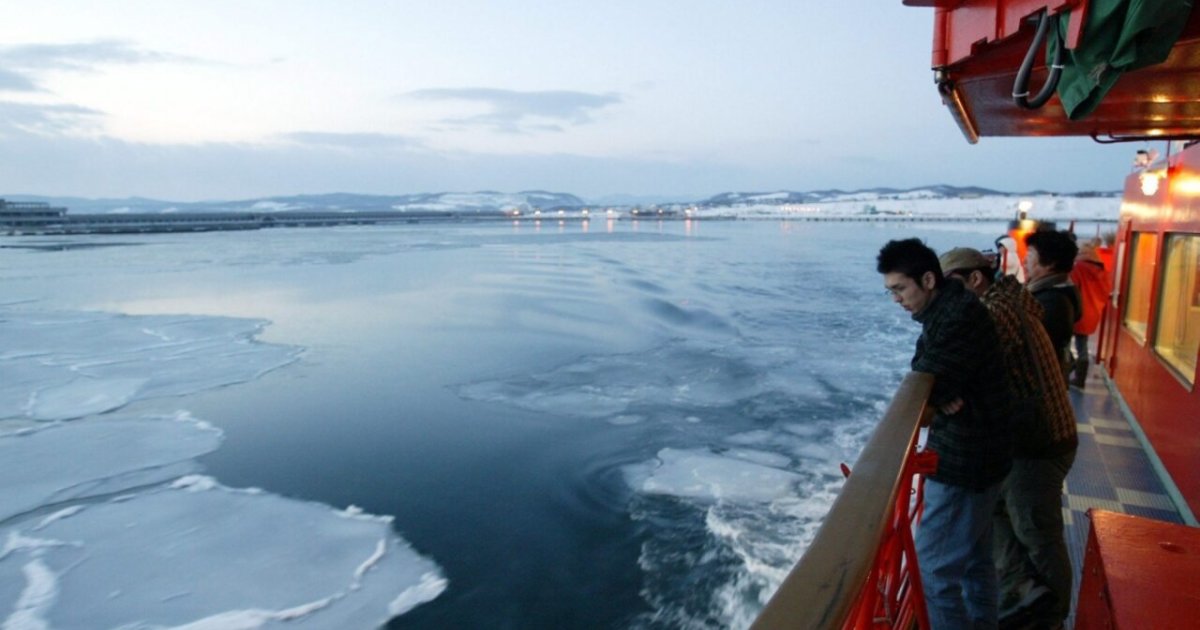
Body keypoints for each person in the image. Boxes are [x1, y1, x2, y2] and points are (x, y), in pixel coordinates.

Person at [877, 238, 1013, 630]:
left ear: (928, 279)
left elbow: (928, 384)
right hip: (983, 455)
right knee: (974, 561)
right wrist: (938, 389)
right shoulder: (949, 310)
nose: (897, 300)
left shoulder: (956, 318)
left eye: (900, 289)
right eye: (891, 292)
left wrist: (938, 393)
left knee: (934, 573)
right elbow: (924, 368)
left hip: (965, 461)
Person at [940, 247, 1078, 629]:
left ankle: (1051, 617)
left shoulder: (995, 313)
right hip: (1031, 437)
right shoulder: (1008, 301)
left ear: (975, 280)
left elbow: (958, 358)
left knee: (1038, 532)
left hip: (1038, 444)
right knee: (997, 511)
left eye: (949, 289)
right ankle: (1024, 591)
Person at [1023, 231, 1081, 381]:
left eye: (1030, 255)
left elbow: (1031, 351)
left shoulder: (1053, 303)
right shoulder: (1052, 293)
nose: (1024, 261)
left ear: (1050, 263)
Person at [1069, 238, 1112, 387]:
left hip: (1076, 311)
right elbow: (1107, 291)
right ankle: (1080, 376)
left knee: (1065, 343)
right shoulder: (1102, 271)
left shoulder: (1078, 268)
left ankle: (1072, 368)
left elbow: (1071, 288)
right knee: (1082, 344)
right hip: (1092, 312)